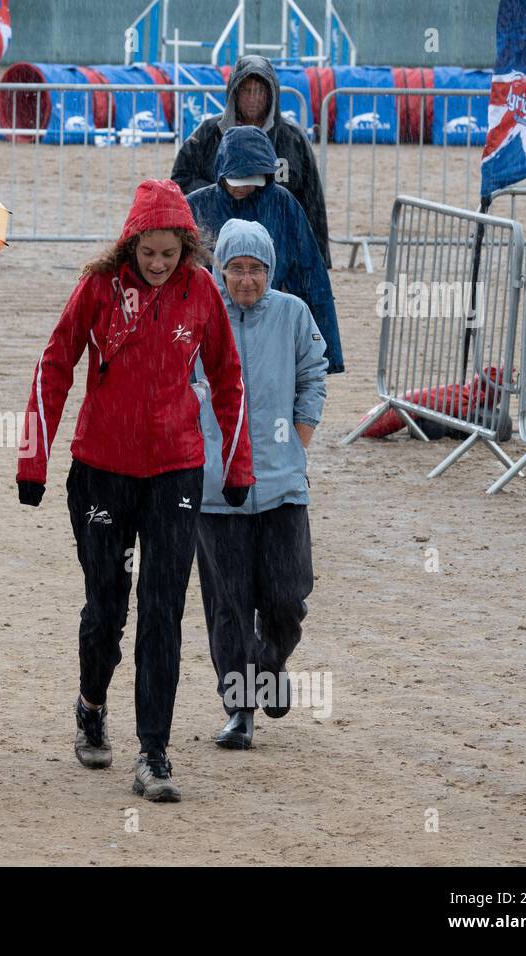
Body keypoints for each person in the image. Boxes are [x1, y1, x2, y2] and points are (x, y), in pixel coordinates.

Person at [17, 179, 254, 802]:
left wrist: (238, 468)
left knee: (162, 612)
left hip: (175, 471)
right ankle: (91, 702)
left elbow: (228, 378)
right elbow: (54, 362)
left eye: (168, 253)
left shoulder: (202, 292)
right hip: (101, 469)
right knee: (107, 606)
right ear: (130, 244)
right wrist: (32, 460)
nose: (157, 264)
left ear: (186, 248)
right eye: (147, 252)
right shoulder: (98, 288)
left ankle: (154, 754)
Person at [192, 219, 327, 751]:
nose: (245, 280)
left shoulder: (292, 314)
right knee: (228, 605)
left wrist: (301, 433)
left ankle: (270, 666)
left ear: (270, 269)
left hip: (281, 483)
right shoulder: (201, 314)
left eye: (255, 270)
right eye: (235, 269)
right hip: (215, 485)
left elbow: (315, 370)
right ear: (219, 270)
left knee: (288, 596)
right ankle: (239, 710)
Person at [186, 124, 345, 374]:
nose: (241, 188)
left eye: (250, 181)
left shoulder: (283, 204)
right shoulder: (196, 206)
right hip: (211, 324)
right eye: (235, 180)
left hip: (269, 321)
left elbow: (311, 276)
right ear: (220, 173)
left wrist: (327, 352)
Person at [169, 54, 332, 269]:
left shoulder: (292, 138)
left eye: (260, 91)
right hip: (217, 243)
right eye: (247, 90)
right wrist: (219, 193)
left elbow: (312, 201)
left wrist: (319, 258)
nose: (253, 98)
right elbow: (179, 181)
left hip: (277, 243)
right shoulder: (208, 134)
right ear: (235, 92)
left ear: (271, 93)